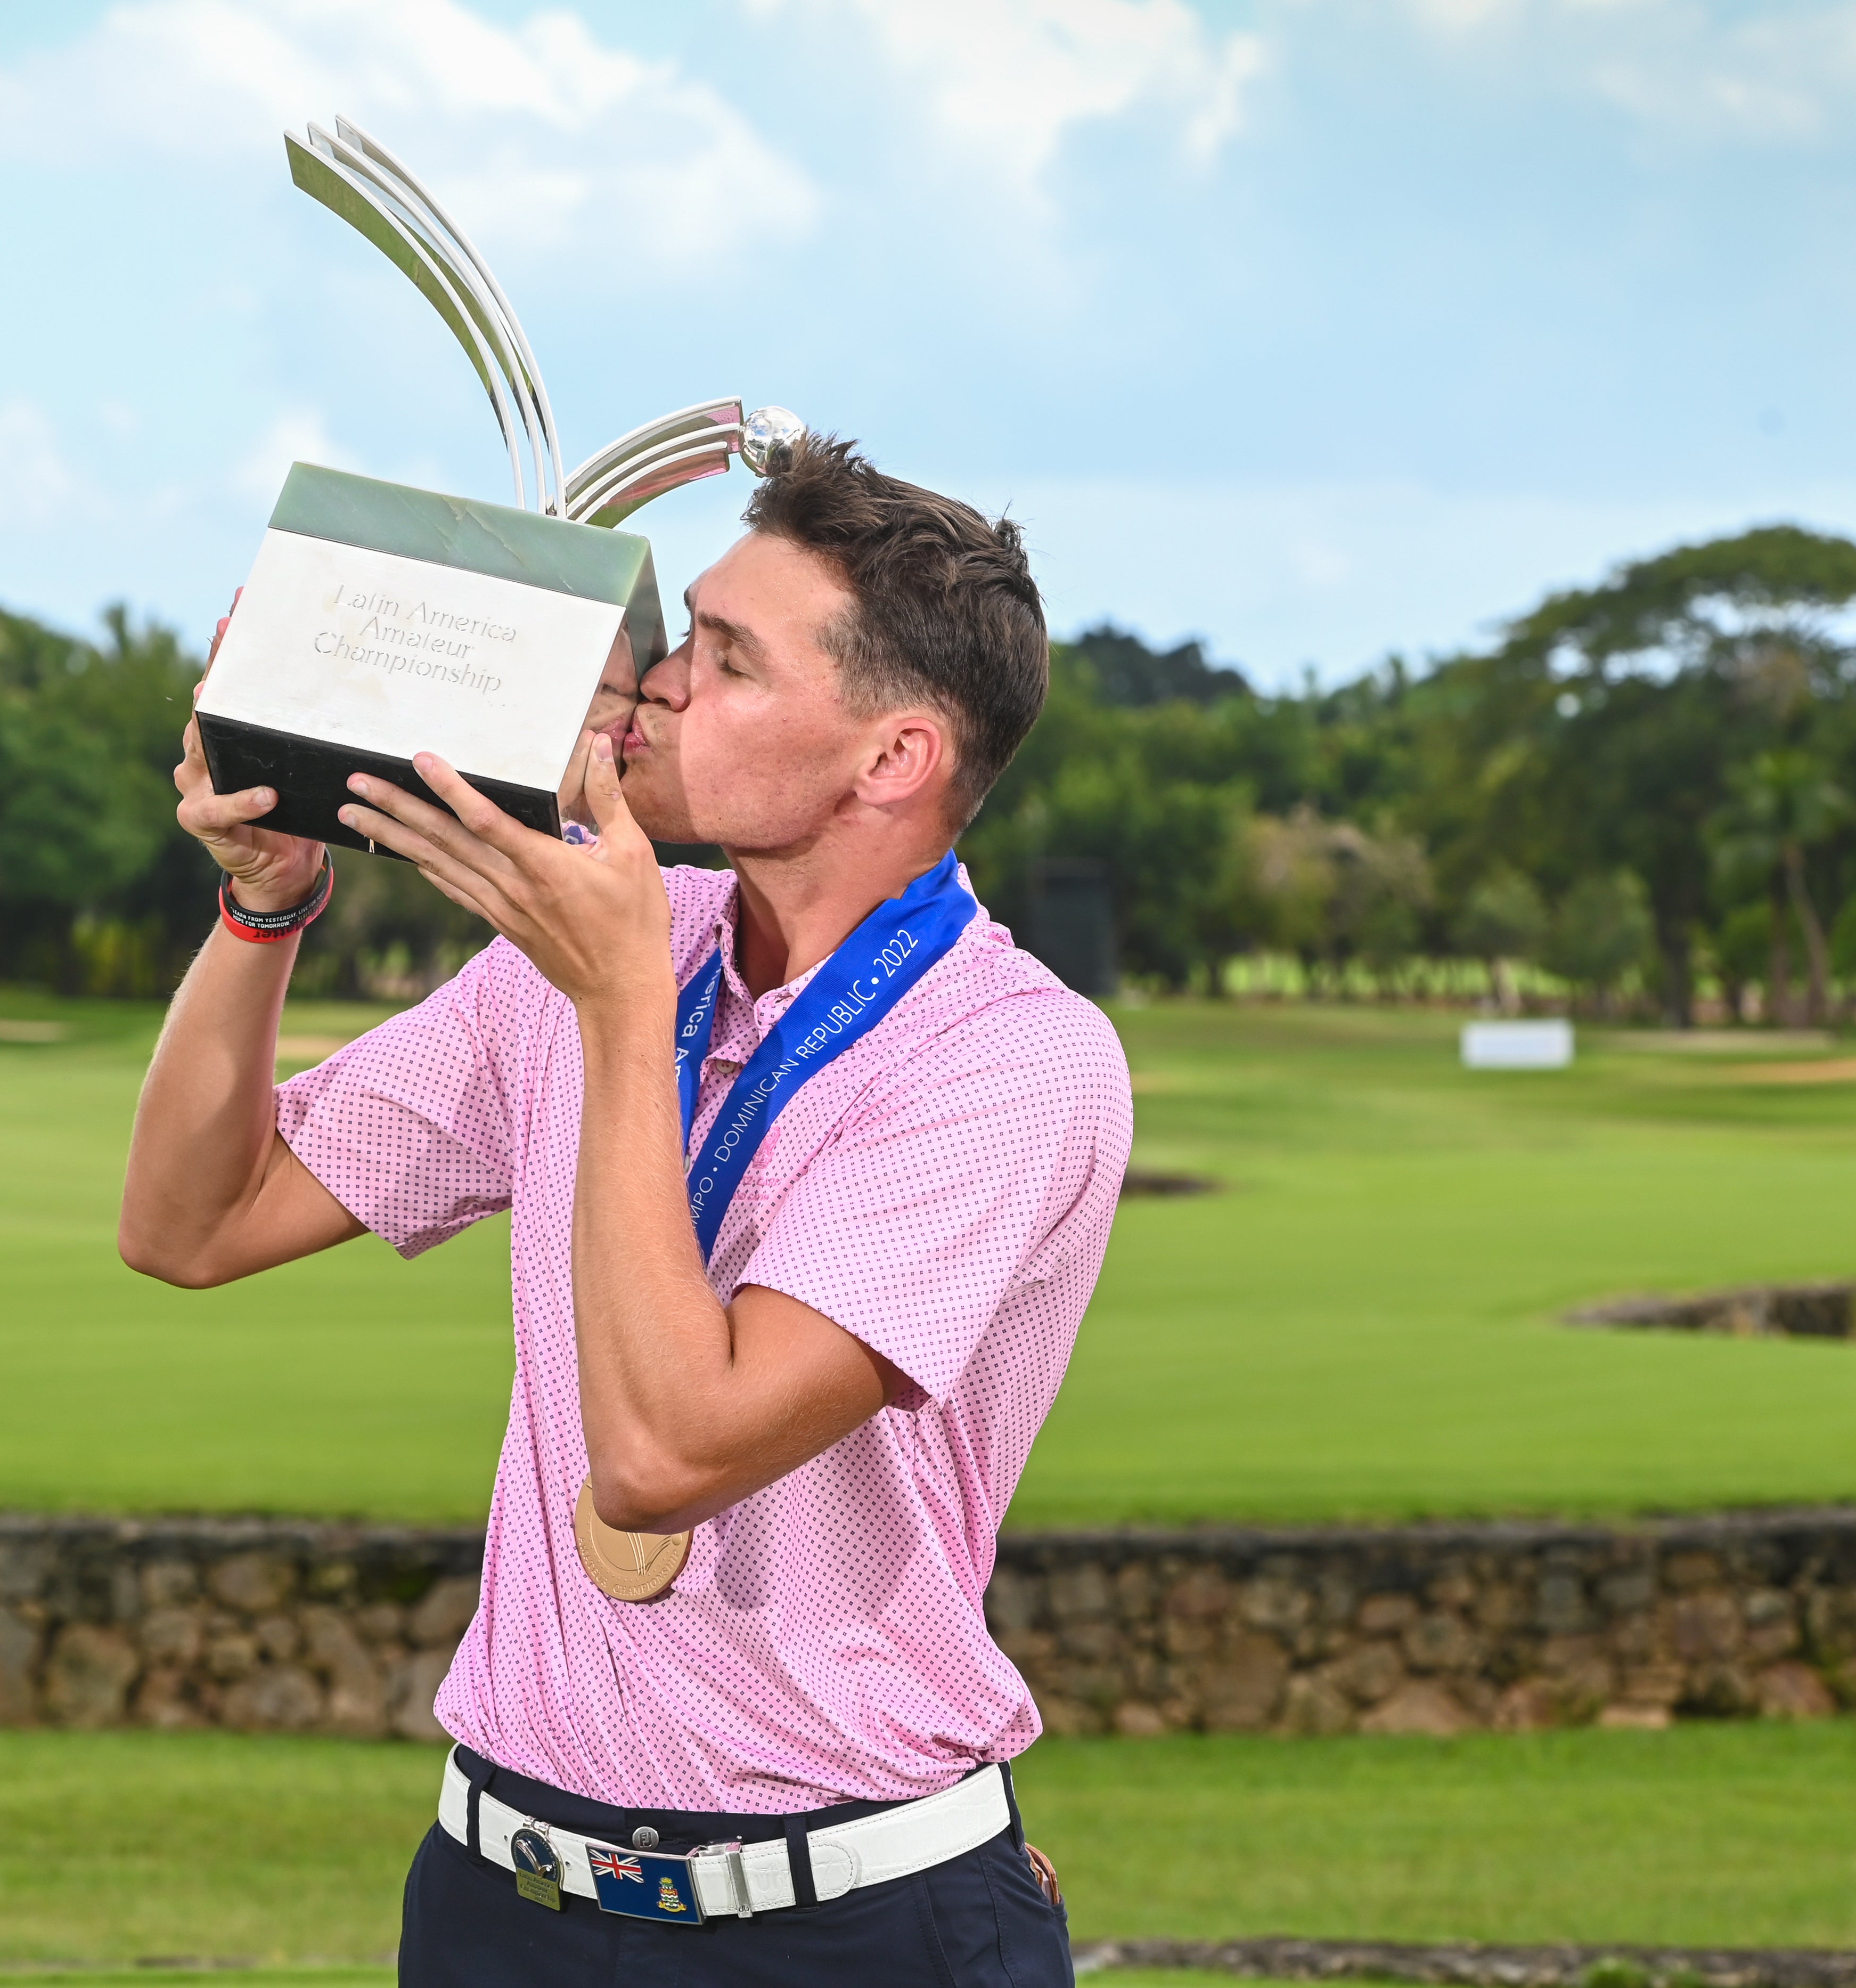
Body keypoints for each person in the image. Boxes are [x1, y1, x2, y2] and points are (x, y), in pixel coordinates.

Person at [119, 435, 1132, 1986]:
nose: (654, 685)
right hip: (496, 1901)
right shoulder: (607, 937)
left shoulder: (1015, 1056)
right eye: (680, 639)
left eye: (727, 661)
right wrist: (266, 900)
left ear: (892, 759)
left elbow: (665, 1454)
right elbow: (197, 1220)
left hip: (850, 1927)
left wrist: (612, 1006)